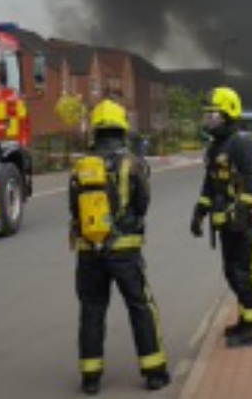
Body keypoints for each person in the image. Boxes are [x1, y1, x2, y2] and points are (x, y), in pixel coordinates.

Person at [70, 100, 170, 394]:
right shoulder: (132, 163)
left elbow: (73, 209)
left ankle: (90, 377)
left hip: (89, 253)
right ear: (122, 129)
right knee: (140, 307)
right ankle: (154, 372)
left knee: (92, 310)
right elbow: (143, 203)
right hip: (125, 252)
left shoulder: (81, 165)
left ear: (96, 131)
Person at [190, 86, 252, 347]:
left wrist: (240, 211)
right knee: (233, 272)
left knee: (249, 273)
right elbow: (211, 183)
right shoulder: (216, 147)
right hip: (227, 226)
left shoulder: (242, 143)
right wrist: (200, 210)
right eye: (208, 115)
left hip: (247, 225)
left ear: (229, 114)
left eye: (214, 115)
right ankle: (246, 320)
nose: (209, 120)